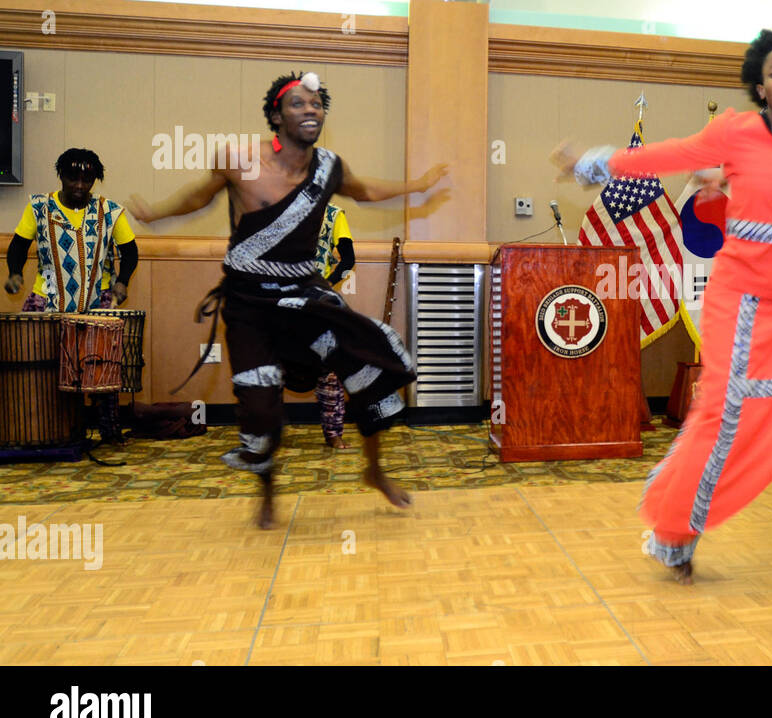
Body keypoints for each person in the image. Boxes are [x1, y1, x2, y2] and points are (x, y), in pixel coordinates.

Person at [554, 23, 772, 584]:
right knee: (727, 415)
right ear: (760, 86)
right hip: (746, 299)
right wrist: (595, 162)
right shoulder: (735, 132)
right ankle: (675, 533)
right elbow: (671, 154)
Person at [128, 71, 448, 528]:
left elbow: (367, 191)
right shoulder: (238, 160)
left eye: (316, 103)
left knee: (369, 364)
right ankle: (268, 492)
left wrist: (417, 185)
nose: (310, 110)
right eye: (298, 104)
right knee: (259, 406)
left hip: (304, 296)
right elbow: (198, 198)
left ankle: (374, 470)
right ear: (276, 115)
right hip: (249, 304)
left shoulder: (328, 168)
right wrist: (156, 212)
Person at [5, 148, 139, 442]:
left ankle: (108, 427)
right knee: (46, 371)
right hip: (48, 298)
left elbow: (130, 252)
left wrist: (122, 281)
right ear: (61, 176)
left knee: (102, 370)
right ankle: (52, 429)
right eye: (72, 178)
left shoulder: (110, 211)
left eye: (87, 179)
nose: (79, 185)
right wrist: (15, 273)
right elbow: (17, 247)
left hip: (97, 301)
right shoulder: (40, 207)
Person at [314, 203, 354, 449]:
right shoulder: (281, 208)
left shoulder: (333, 215)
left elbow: (348, 260)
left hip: (319, 302)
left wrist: (325, 285)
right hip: (283, 299)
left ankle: (333, 432)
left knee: (330, 369)